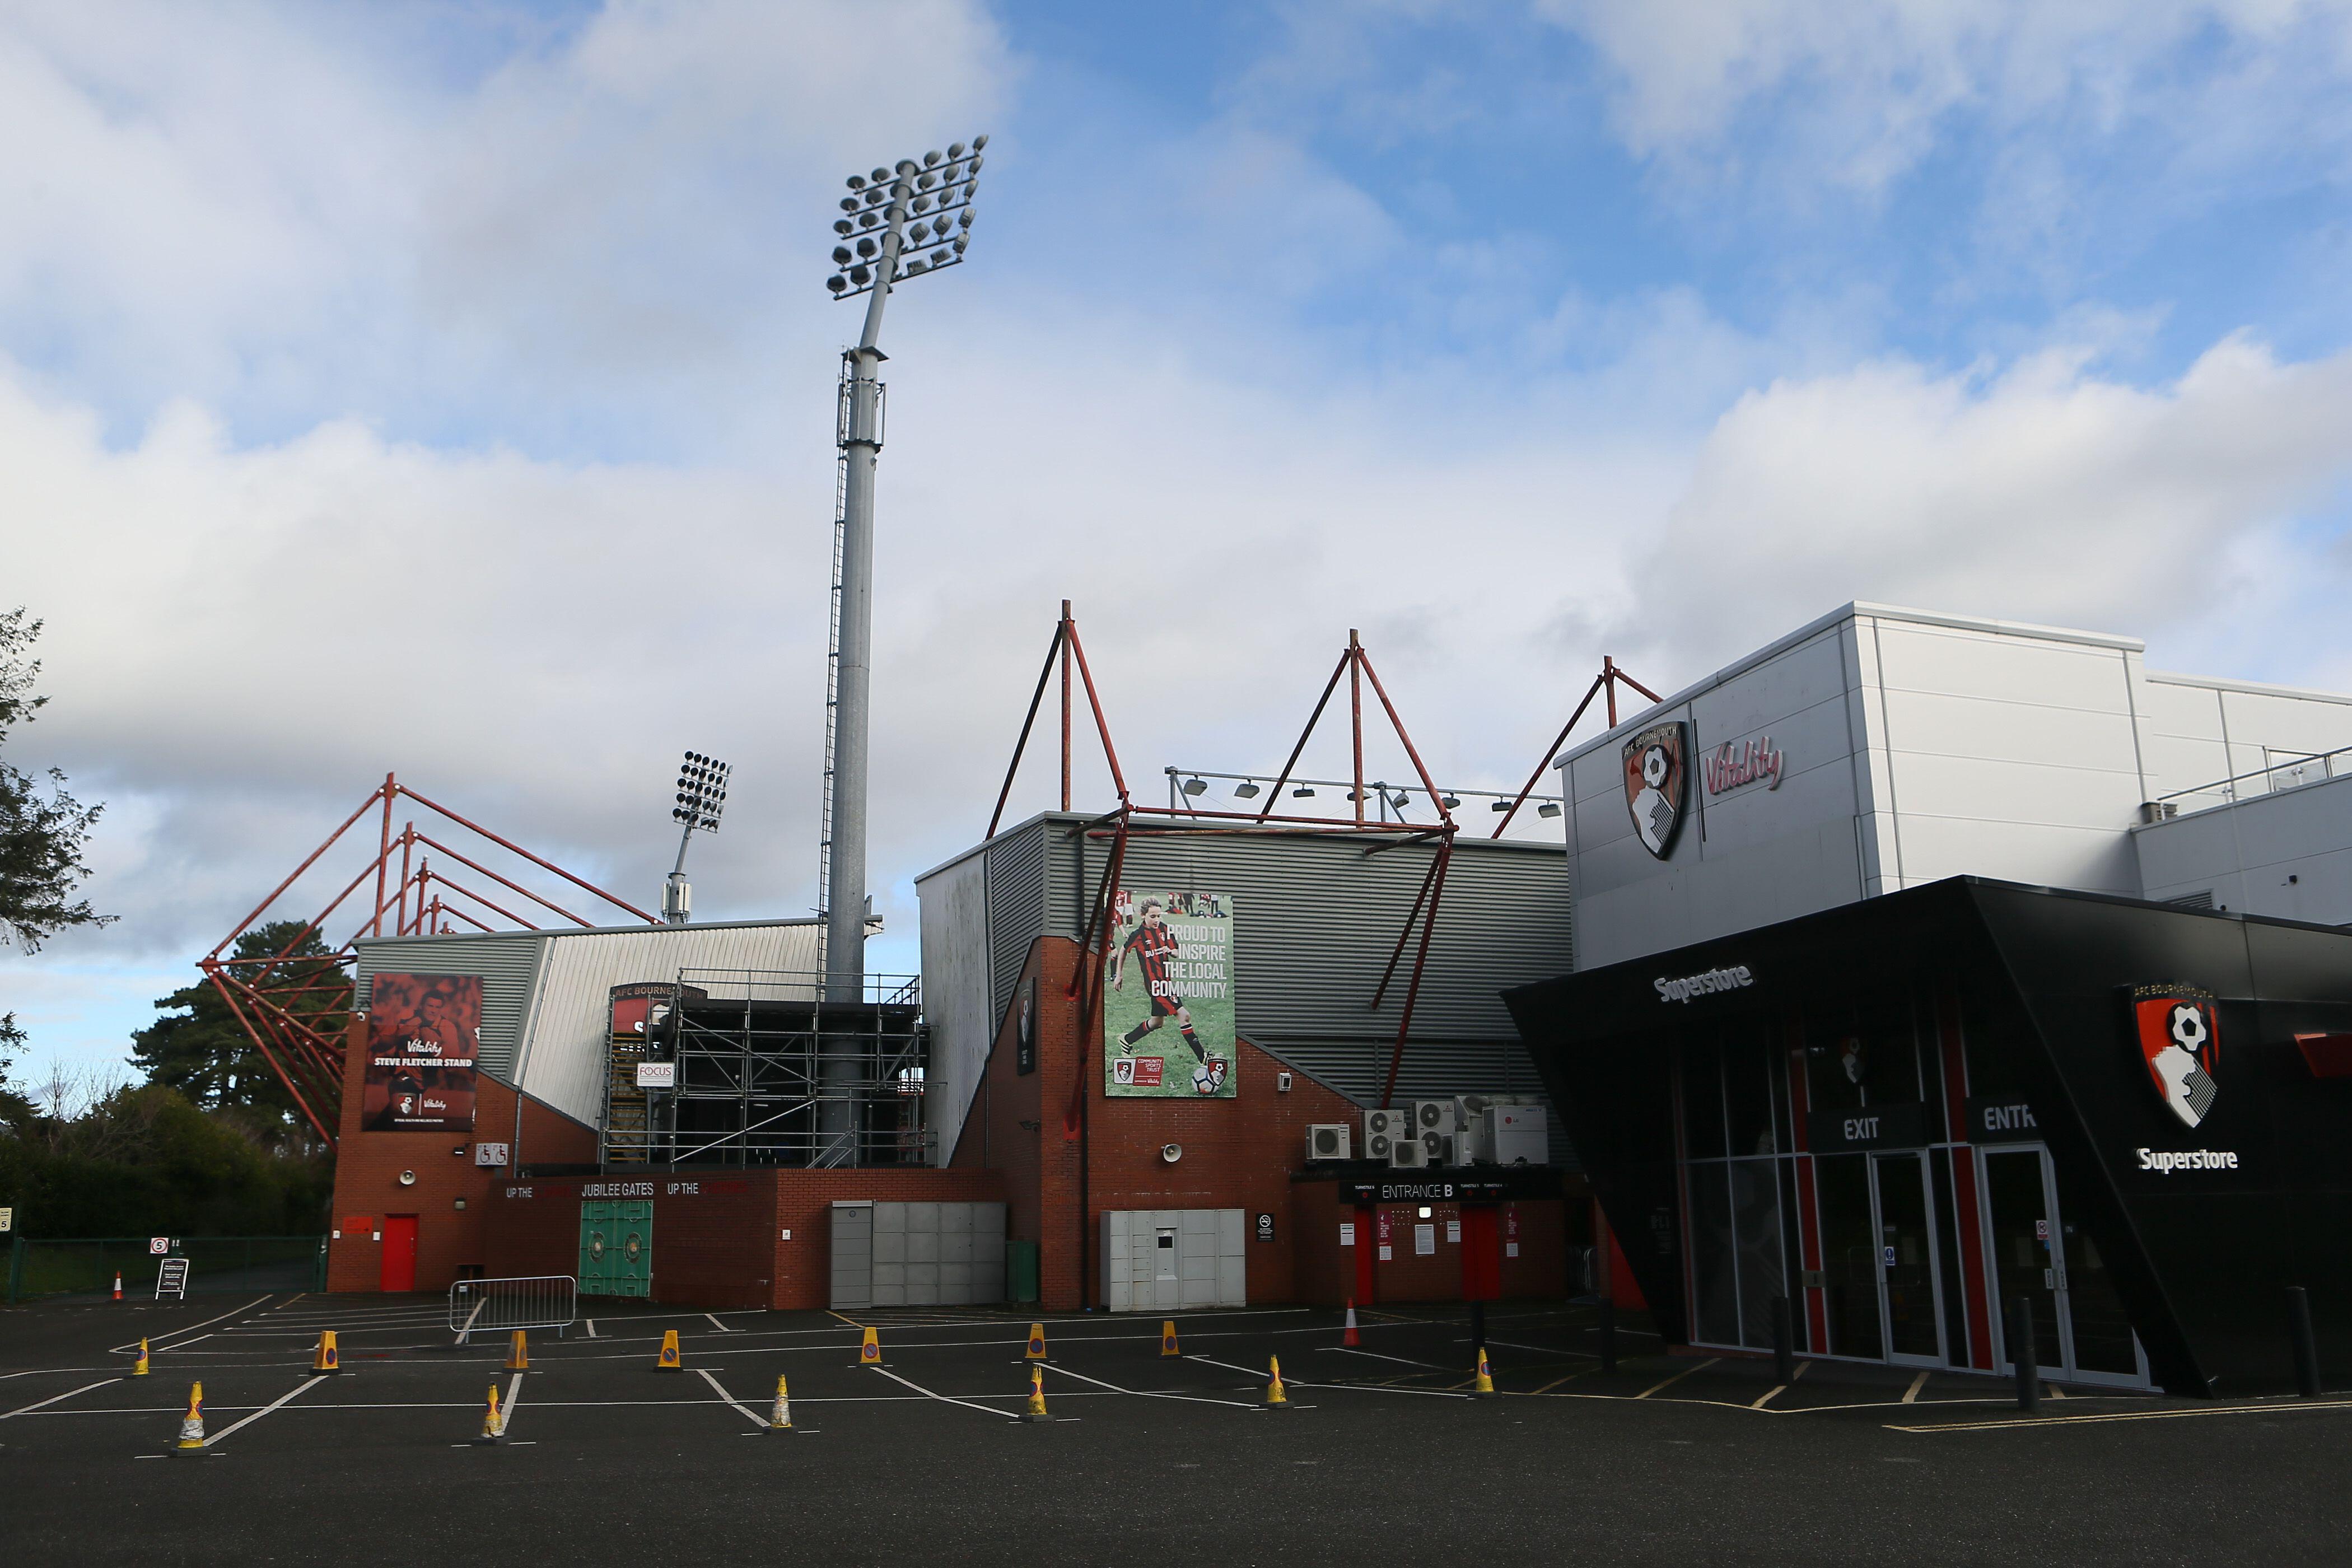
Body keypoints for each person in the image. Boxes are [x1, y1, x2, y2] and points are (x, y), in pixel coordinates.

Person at [1110, 898, 1207, 1064]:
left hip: (1166, 982)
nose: (1157, 920)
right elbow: (1124, 950)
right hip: (1155, 985)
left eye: (1159, 916)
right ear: (1143, 916)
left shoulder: (1164, 929)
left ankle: (1126, 1040)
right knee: (1184, 1015)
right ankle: (1203, 1058)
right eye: (1153, 916)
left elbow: (1176, 953)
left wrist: (1170, 950)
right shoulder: (1138, 935)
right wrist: (1119, 975)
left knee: (1157, 1022)